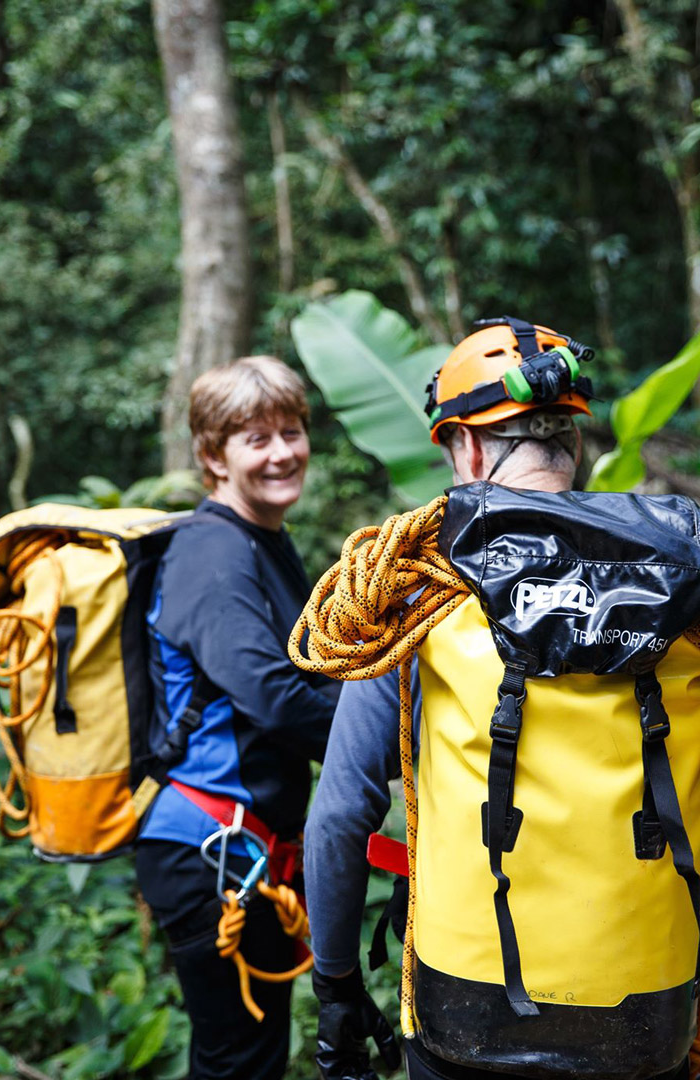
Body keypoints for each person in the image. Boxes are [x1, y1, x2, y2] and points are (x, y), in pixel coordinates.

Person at [303, 317, 691, 1080]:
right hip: (651, 1006)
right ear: (573, 443)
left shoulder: (417, 589)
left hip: (468, 1002)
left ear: (467, 448)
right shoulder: (685, 583)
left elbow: (342, 814)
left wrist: (337, 986)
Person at [135, 355, 341, 1080]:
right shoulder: (213, 552)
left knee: (244, 1057)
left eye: (291, 431)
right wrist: (394, 752)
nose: (283, 452)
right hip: (210, 846)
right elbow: (271, 693)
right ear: (213, 456)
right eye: (256, 438)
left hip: (245, 849)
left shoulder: (263, 543)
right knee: (239, 1062)